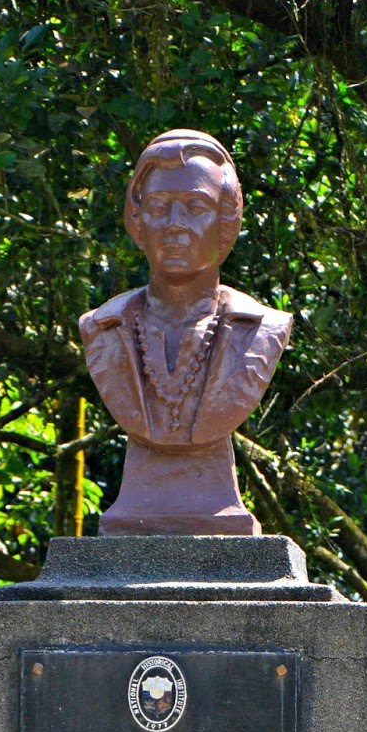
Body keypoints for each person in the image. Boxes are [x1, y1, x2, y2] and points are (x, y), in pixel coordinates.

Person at [80, 129, 292, 535]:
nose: (174, 226)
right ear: (137, 223)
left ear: (227, 222)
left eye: (196, 206)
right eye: (159, 207)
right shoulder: (102, 328)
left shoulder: (262, 329)